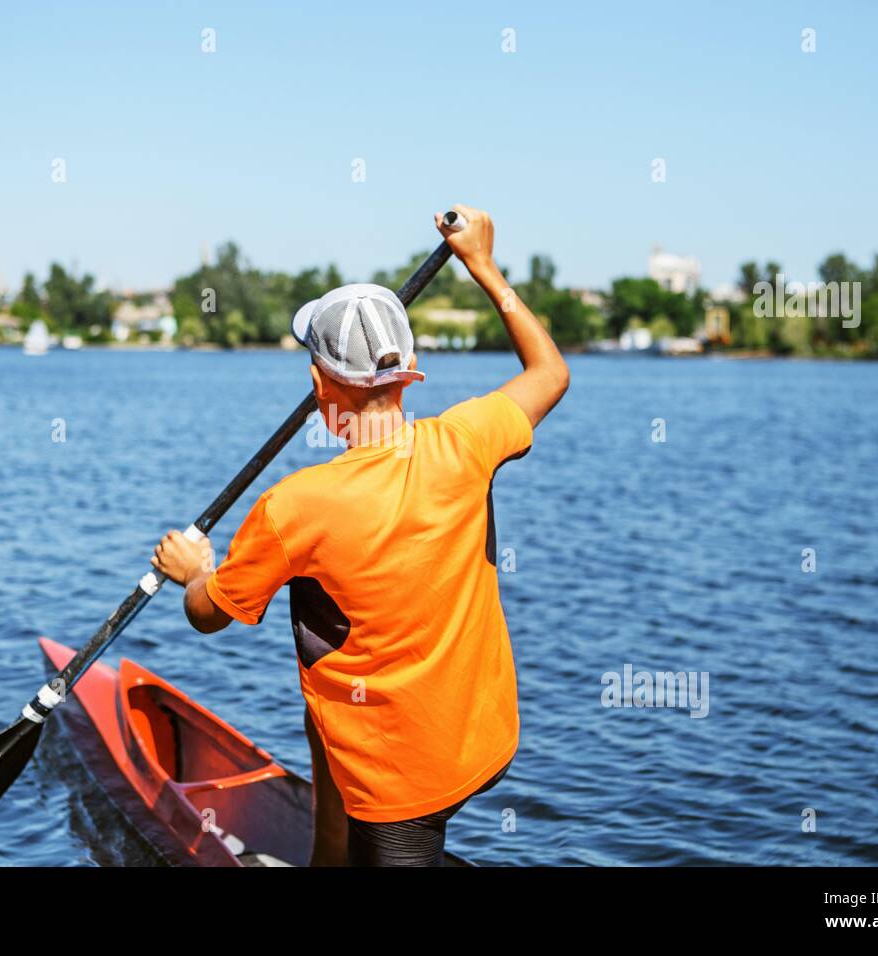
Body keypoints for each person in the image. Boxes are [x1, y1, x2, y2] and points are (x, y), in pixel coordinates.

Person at [151, 205, 569, 865]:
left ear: (320, 386)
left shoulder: (295, 507)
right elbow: (550, 373)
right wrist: (485, 267)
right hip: (484, 737)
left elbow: (211, 614)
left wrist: (193, 570)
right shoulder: (468, 440)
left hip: (401, 786)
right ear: (410, 367)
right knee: (325, 690)